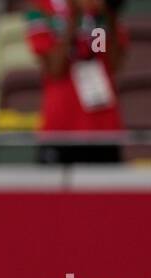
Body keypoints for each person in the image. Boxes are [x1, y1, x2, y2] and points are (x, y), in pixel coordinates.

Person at [28, 0, 128, 165]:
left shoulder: (102, 10)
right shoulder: (42, 8)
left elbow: (113, 63)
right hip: (60, 128)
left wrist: (109, 15)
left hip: (103, 126)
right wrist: (74, 16)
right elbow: (55, 69)